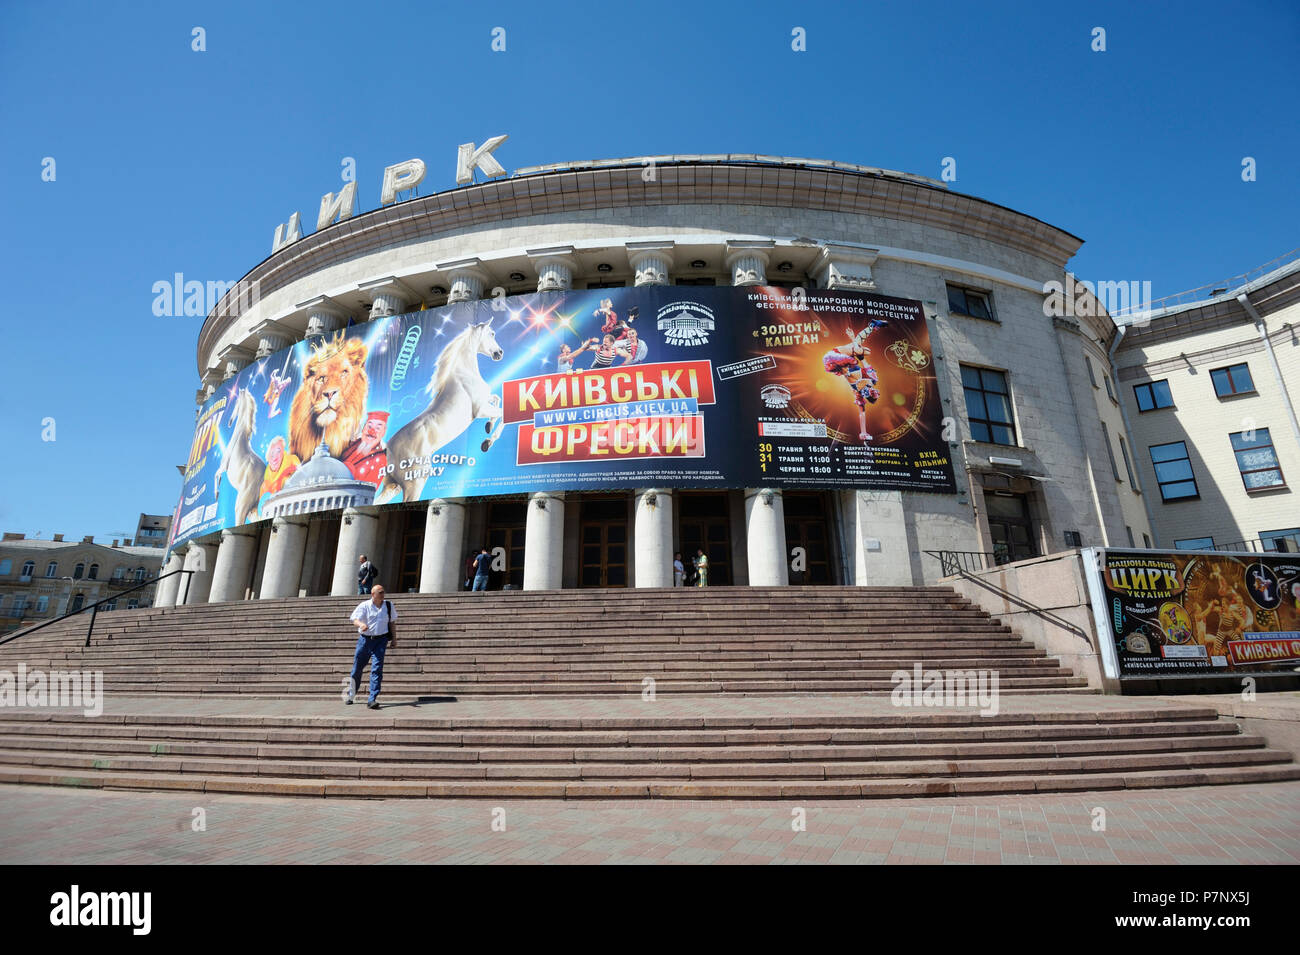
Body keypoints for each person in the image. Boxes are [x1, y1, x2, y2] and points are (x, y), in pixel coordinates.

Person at [347, 584, 397, 710]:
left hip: (381, 641)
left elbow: (392, 622)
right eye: (380, 592)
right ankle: (351, 694)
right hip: (365, 641)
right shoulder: (364, 605)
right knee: (357, 668)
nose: (383, 594)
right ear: (373, 594)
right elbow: (354, 619)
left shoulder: (388, 605)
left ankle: (372, 699)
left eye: (383, 592)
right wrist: (361, 624)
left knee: (377, 669)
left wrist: (394, 639)